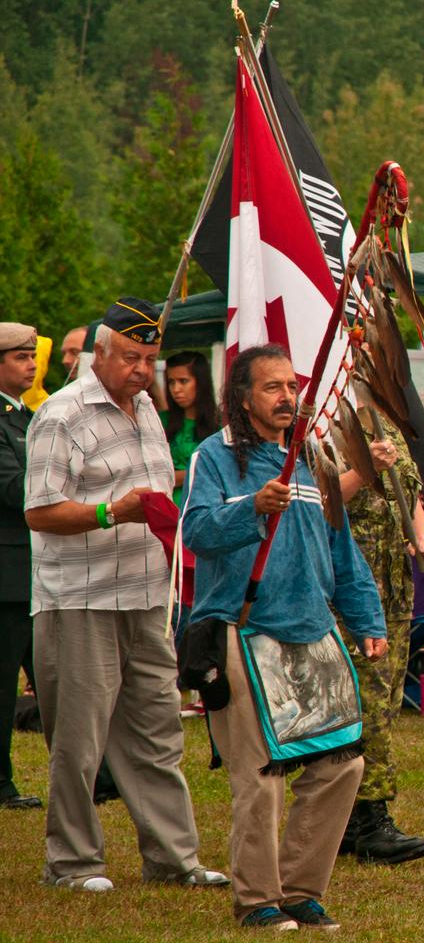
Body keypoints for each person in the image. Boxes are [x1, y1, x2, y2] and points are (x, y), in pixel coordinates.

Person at [24, 298, 228, 892]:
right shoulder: (62, 415)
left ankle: (173, 858)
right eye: (132, 357)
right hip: (81, 599)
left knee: (158, 732)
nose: (143, 370)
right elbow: (38, 511)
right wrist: (114, 512)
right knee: (79, 741)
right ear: (101, 353)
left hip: (146, 597)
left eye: (151, 359)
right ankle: (73, 863)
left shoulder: (146, 411)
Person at [184, 344, 388, 930]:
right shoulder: (214, 456)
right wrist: (251, 507)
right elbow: (195, 531)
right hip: (244, 631)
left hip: (313, 631)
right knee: (261, 774)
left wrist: (367, 619)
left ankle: (301, 889)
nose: (285, 397)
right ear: (242, 396)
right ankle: (258, 900)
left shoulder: (313, 460)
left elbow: (341, 551)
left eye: (291, 387)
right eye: (271, 387)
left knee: (342, 765)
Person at [336, 402, 424, 864]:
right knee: (367, 706)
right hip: (350, 591)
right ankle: (370, 819)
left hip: (394, 587)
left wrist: (422, 534)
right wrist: (362, 470)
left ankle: (348, 820)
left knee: (387, 702)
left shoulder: (386, 423)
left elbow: (409, 495)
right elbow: (314, 501)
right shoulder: (324, 428)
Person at [0, 323, 41, 811]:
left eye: (32, 355)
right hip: (8, 576)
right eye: (19, 357)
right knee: (5, 684)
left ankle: (104, 776)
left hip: (38, 570)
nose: (31, 364)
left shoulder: (27, 417)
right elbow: (14, 489)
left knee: (59, 682)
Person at [161, 351, 219, 505]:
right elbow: (155, 476)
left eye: (183, 381)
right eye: (171, 382)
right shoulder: (161, 421)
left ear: (201, 382)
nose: (176, 389)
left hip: (207, 505)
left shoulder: (220, 424)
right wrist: (200, 472)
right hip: (170, 507)